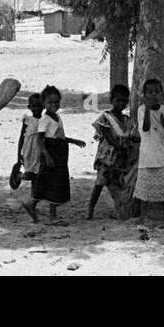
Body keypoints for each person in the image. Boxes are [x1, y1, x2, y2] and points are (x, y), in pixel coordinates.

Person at [26, 85, 86, 224]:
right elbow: (40, 139)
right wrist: (46, 156)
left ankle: (33, 205)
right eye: (50, 102)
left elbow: (59, 136)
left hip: (60, 153)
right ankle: (51, 216)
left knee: (52, 182)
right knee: (51, 182)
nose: (54, 105)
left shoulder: (57, 116)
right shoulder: (45, 119)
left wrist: (73, 141)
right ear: (44, 103)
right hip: (51, 153)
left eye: (56, 102)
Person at [87, 84, 139, 219]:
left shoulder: (127, 120)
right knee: (100, 183)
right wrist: (117, 146)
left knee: (119, 185)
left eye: (124, 101)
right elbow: (105, 133)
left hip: (121, 159)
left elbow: (131, 135)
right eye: (118, 101)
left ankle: (119, 209)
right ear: (112, 101)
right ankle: (90, 208)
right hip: (107, 158)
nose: (121, 104)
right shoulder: (105, 117)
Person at [133, 78, 164, 223]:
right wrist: (147, 109)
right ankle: (143, 215)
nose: (154, 95)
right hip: (147, 155)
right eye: (150, 92)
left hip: (162, 154)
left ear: (162, 94)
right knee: (144, 189)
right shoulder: (141, 110)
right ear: (144, 95)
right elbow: (145, 128)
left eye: (157, 92)